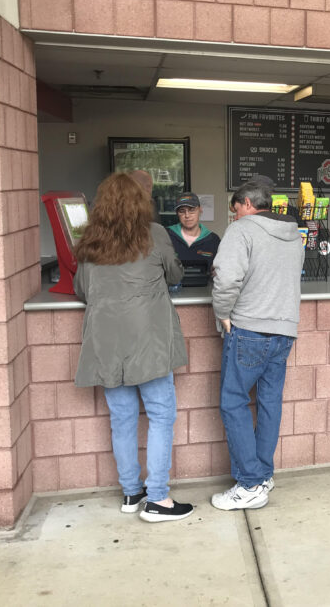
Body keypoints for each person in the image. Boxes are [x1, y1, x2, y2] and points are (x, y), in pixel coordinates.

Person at [73, 173, 193, 522]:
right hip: (149, 339)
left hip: (106, 340)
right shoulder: (154, 234)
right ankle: (157, 499)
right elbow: (175, 275)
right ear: (142, 202)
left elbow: (83, 291)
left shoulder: (90, 242)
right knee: (160, 415)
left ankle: (131, 491)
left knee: (122, 419)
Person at [210, 180, 305, 510]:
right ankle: (262, 475)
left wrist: (222, 312)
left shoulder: (242, 230)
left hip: (249, 328)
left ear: (247, 204)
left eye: (235, 208)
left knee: (232, 402)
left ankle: (249, 484)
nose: (234, 215)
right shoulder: (294, 235)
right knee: (269, 402)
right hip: (284, 332)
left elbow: (225, 276)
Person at [165, 192, 220, 274]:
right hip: (173, 286)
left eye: (192, 210)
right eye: (182, 211)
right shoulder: (166, 235)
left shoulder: (213, 240)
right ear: (177, 213)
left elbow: (219, 269)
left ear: (200, 210)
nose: (187, 215)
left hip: (204, 286)